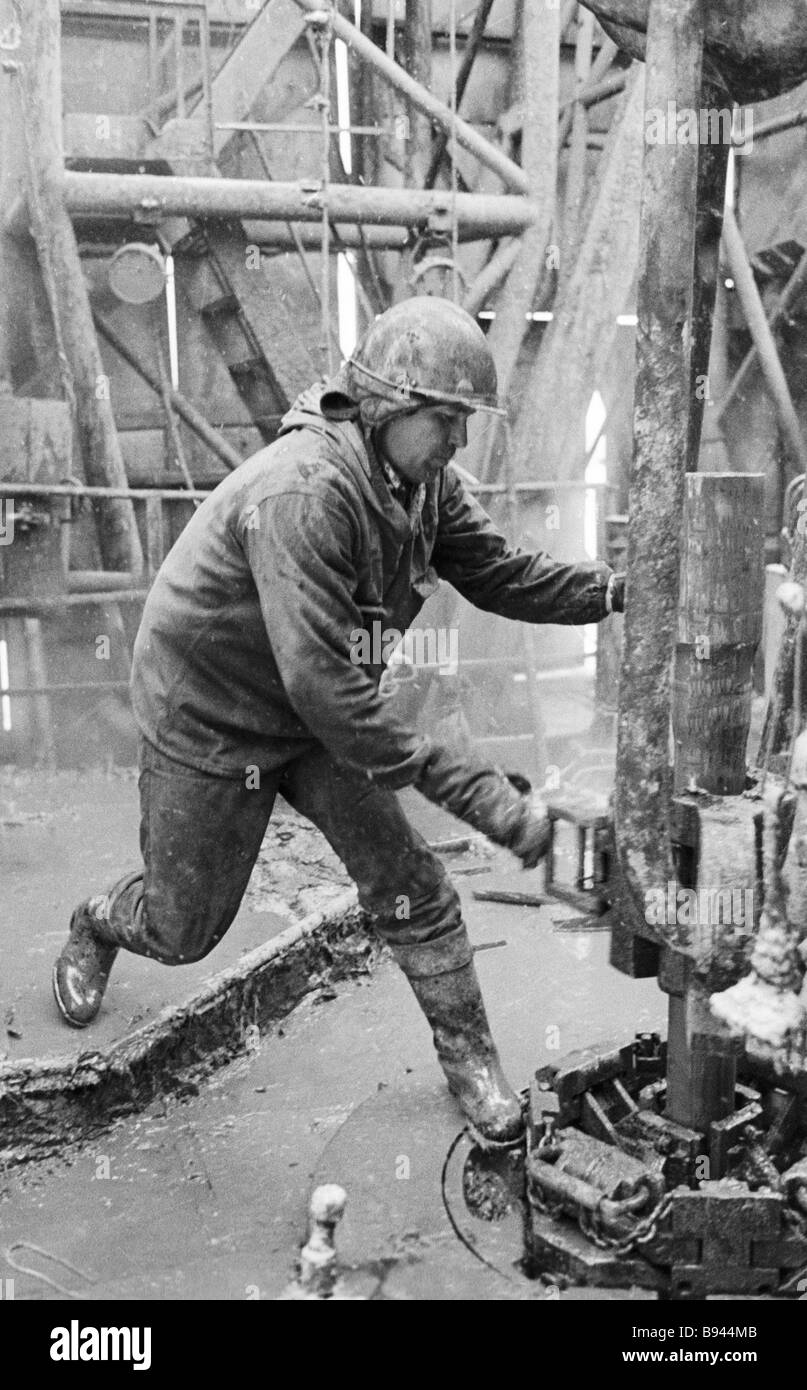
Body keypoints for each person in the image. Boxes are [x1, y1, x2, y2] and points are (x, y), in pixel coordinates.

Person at [53, 296, 624, 1145]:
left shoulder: (423, 485)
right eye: (445, 420)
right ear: (389, 406)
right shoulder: (304, 493)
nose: (457, 442)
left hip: (317, 711)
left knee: (411, 880)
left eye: (463, 422)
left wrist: (612, 593)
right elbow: (330, 693)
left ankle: (469, 1059)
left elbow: (502, 574)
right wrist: (494, 805)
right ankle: (100, 921)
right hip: (211, 712)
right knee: (183, 930)